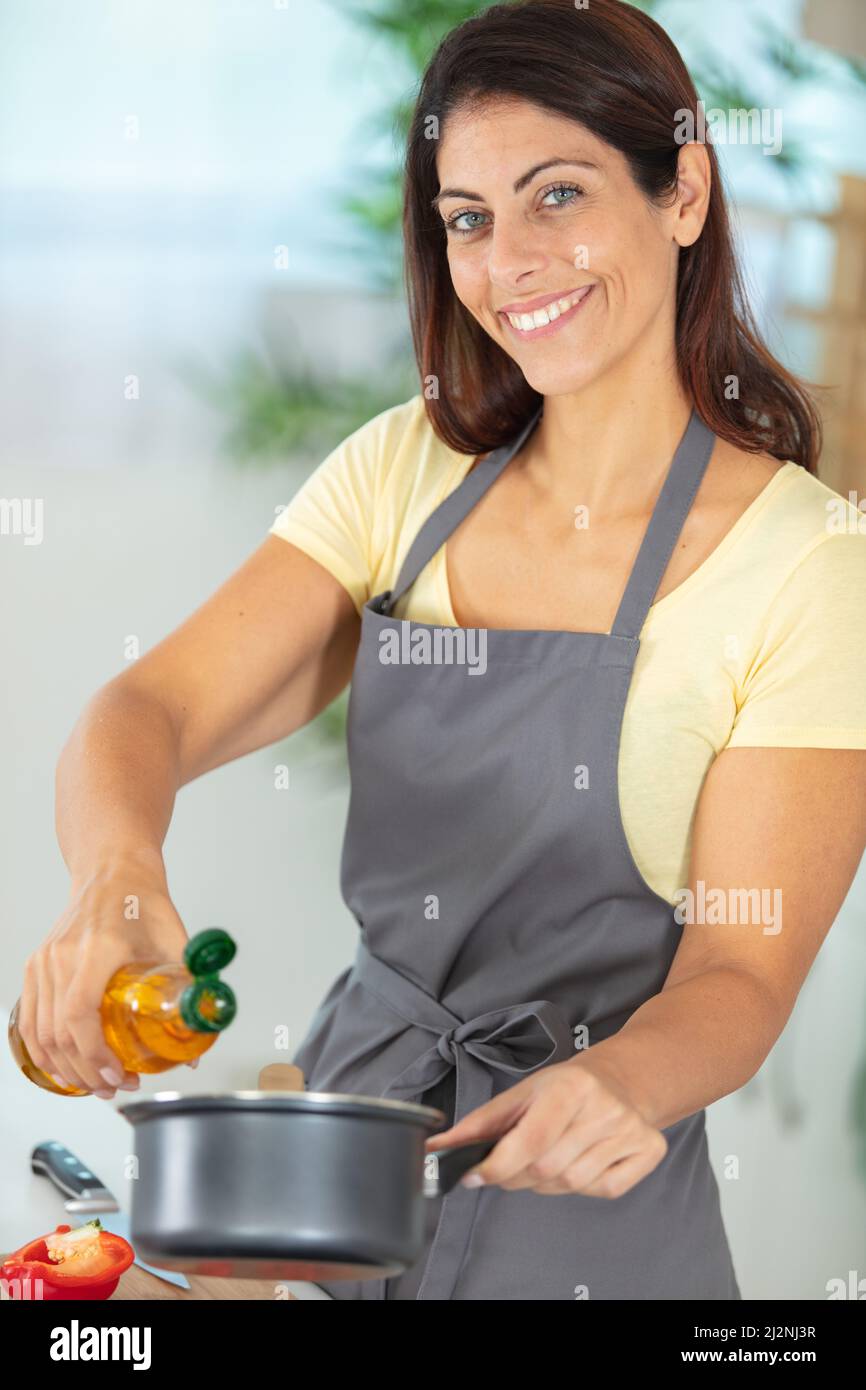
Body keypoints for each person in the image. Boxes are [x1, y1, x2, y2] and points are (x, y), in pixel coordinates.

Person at [18, 0, 866, 1300]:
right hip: (343, 1182)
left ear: (683, 189)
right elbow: (149, 706)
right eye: (468, 217)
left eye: (557, 195)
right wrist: (115, 880)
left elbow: (741, 971)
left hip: (597, 1215)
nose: (509, 260)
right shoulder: (405, 474)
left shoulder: (805, 562)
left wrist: (618, 1078)